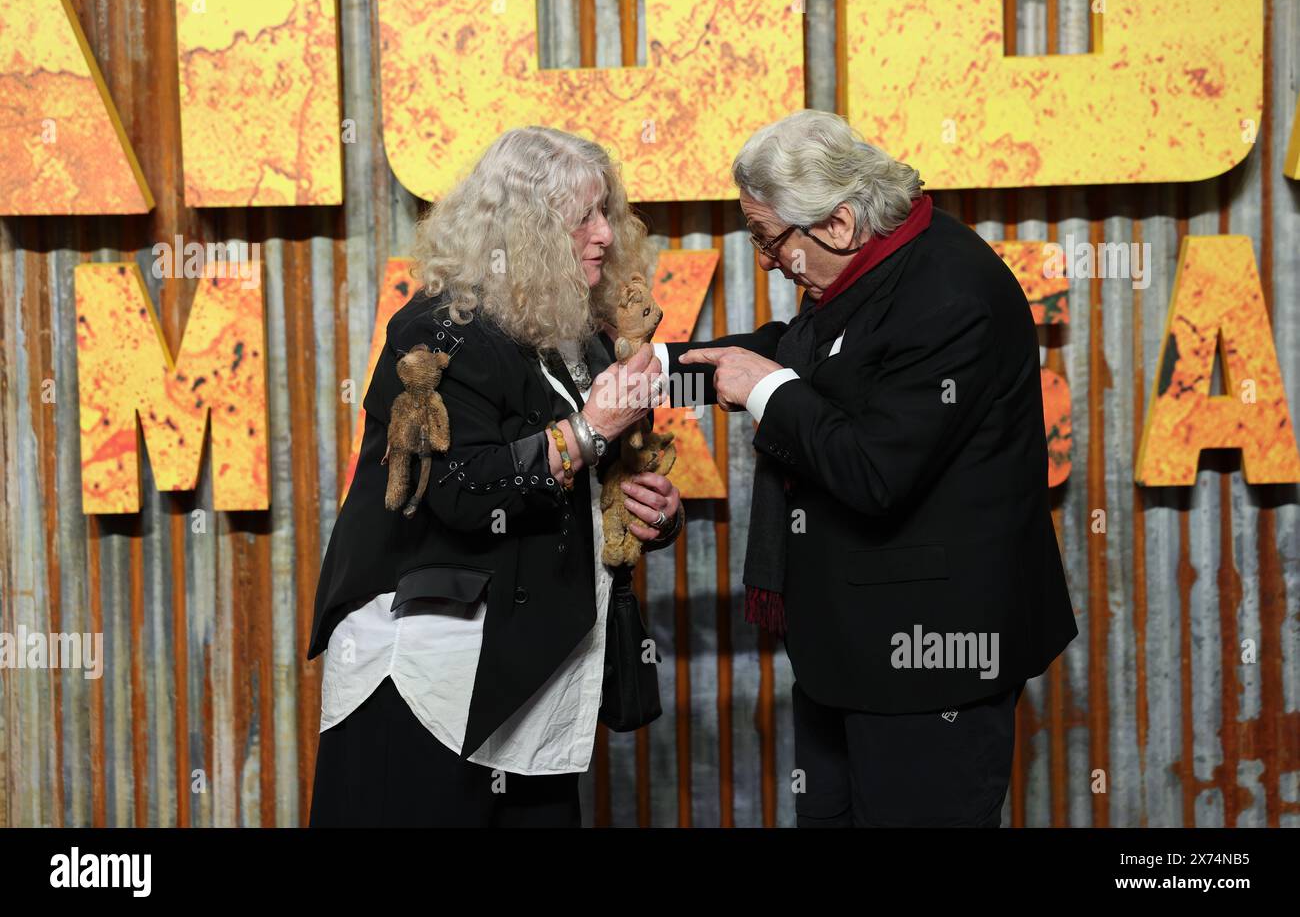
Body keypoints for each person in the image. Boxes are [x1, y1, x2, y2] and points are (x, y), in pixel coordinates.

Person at [655, 109, 1078, 827]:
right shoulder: (877, 267)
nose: (763, 260)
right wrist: (649, 377)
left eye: (765, 239)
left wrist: (762, 390)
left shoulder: (952, 295)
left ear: (839, 225)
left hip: (929, 666)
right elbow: (799, 355)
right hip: (849, 652)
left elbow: (873, 472)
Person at [306, 126, 683, 827]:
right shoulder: (437, 331)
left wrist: (644, 508)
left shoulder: (579, 336)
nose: (605, 234)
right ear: (526, 232)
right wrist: (589, 429)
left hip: (533, 672)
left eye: (606, 212)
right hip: (428, 678)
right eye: (583, 219)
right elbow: (460, 490)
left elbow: (579, 485)